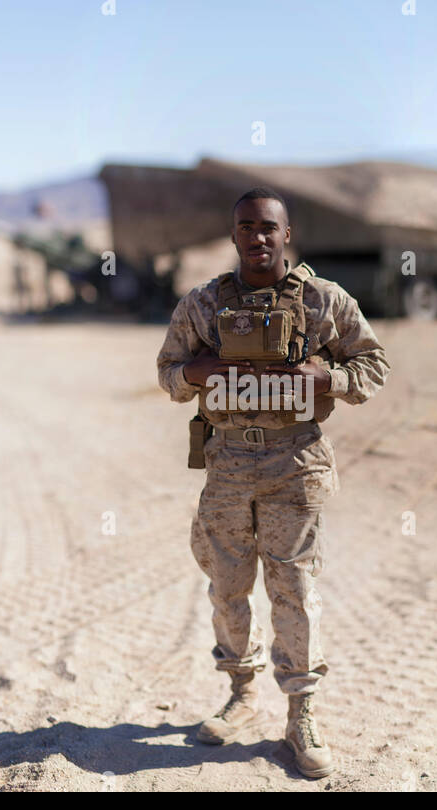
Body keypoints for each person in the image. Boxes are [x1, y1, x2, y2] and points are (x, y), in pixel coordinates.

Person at [155, 187, 390, 778]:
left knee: (295, 593)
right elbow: (167, 374)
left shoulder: (322, 301)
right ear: (233, 236)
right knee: (227, 589)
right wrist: (194, 371)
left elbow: (374, 366)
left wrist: (329, 377)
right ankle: (241, 693)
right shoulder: (204, 305)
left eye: (268, 227)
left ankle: (301, 714)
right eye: (246, 227)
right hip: (228, 465)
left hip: (295, 466)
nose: (257, 237)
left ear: (287, 235)